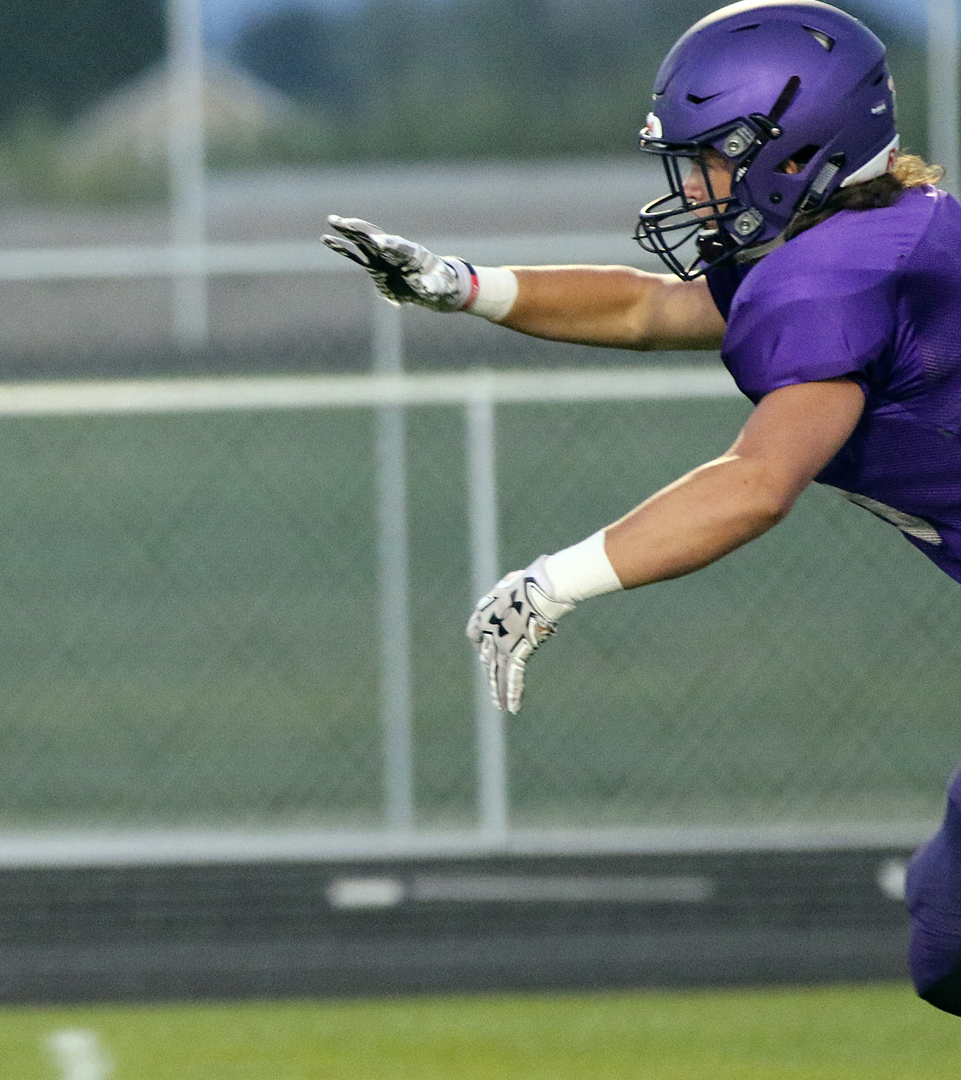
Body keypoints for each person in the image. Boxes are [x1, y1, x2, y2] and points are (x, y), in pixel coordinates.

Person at [322, 0, 958, 1015]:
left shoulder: (838, 272)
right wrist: (458, 284)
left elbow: (755, 485)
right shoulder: (862, 230)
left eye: (714, 158)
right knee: (951, 939)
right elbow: (647, 305)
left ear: (795, 152)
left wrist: (553, 583)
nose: (694, 186)